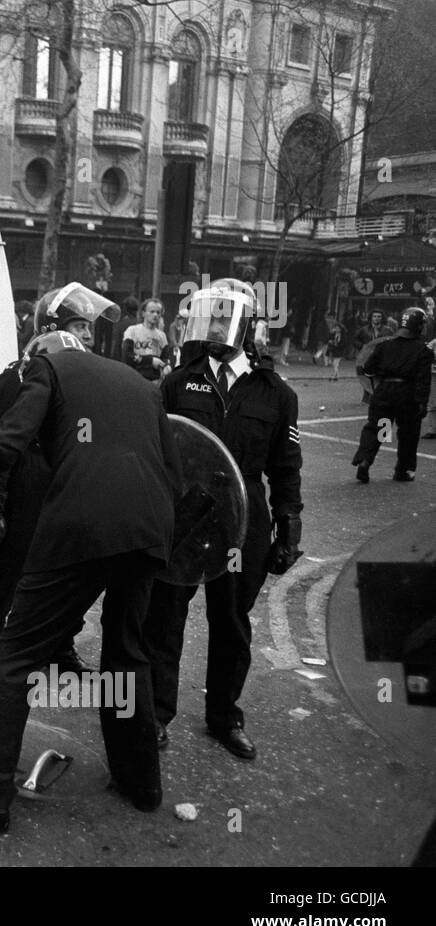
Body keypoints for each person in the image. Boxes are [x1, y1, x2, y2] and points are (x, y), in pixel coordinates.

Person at [0, 304, 181, 834]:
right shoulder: (142, 384)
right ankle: (142, 784)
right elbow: (174, 467)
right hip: (148, 530)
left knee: (14, 658)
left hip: (81, 527)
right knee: (129, 656)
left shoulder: (46, 368)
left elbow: (8, 443)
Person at [145, 278, 303, 760]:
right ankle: (155, 713)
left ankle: (224, 718)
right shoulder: (178, 381)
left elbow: (286, 467)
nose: (215, 325)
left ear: (248, 326)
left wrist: (288, 523)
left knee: (232, 620)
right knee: (166, 614)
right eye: (209, 315)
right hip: (187, 511)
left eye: (224, 316)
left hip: (244, 515)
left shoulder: (276, 394)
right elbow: (156, 450)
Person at [0, 283, 106, 699]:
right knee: (6, 577)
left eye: (90, 327)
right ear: (54, 327)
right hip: (27, 485)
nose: (89, 336)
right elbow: (2, 446)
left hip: (69, 487)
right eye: (81, 325)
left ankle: (59, 646)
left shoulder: (88, 375)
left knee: (67, 577)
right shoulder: (17, 374)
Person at [352, 306, 433, 482]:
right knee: (407, 434)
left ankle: (365, 460)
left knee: (379, 429)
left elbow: (367, 368)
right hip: (407, 396)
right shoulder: (423, 351)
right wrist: (422, 403)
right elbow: (423, 380)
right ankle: (403, 470)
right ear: (418, 326)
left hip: (384, 394)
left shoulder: (384, 345)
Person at [122, 297, 171, 381]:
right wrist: (150, 360)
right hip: (134, 379)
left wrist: (167, 366)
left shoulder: (162, 336)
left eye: (158, 312)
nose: (155, 315)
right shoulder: (132, 331)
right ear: (143, 313)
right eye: (152, 311)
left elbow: (165, 358)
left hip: (154, 382)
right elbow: (127, 356)